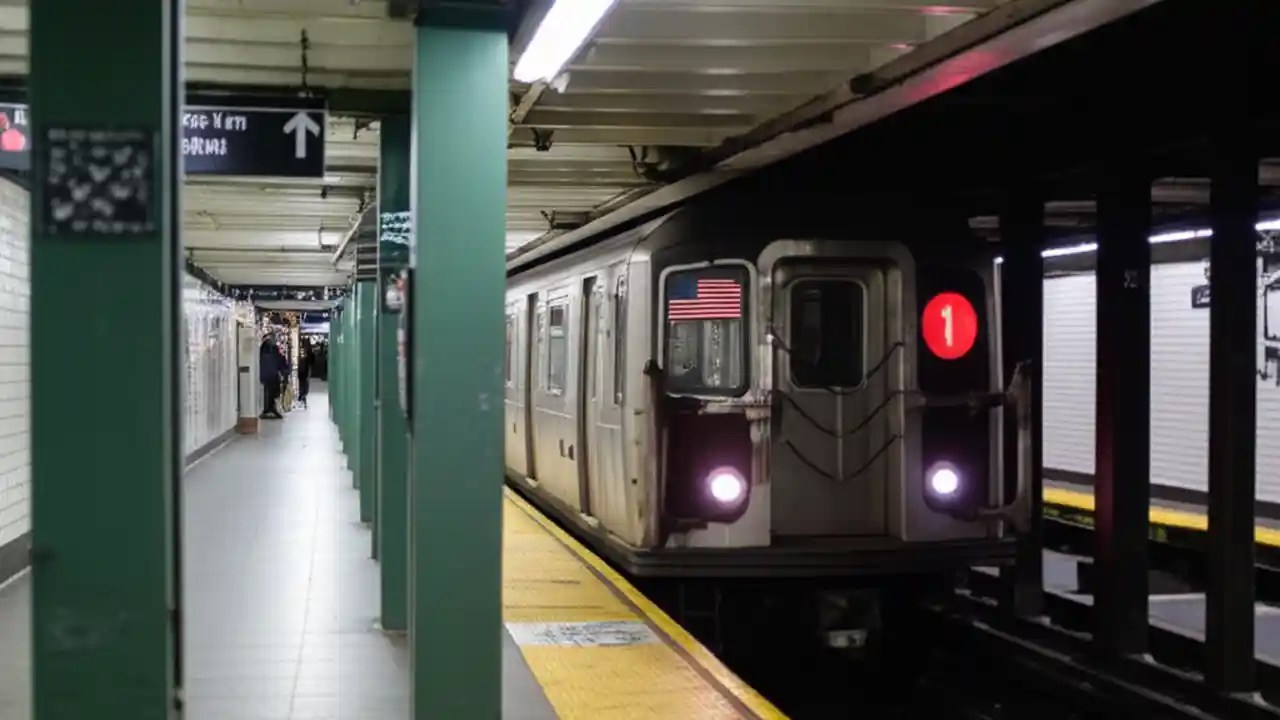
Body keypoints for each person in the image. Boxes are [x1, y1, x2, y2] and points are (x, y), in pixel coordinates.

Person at [259, 336, 285, 419]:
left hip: (264, 375)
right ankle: (270, 408)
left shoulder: (261, 352)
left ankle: (267, 409)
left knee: (267, 392)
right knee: (273, 393)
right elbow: (281, 362)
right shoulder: (275, 352)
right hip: (273, 375)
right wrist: (285, 372)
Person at [297, 339, 313, 408]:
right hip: (304, 374)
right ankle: (302, 399)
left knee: (303, 388)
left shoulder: (303, 356)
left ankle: (302, 399)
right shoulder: (307, 355)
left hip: (302, 373)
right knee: (305, 388)